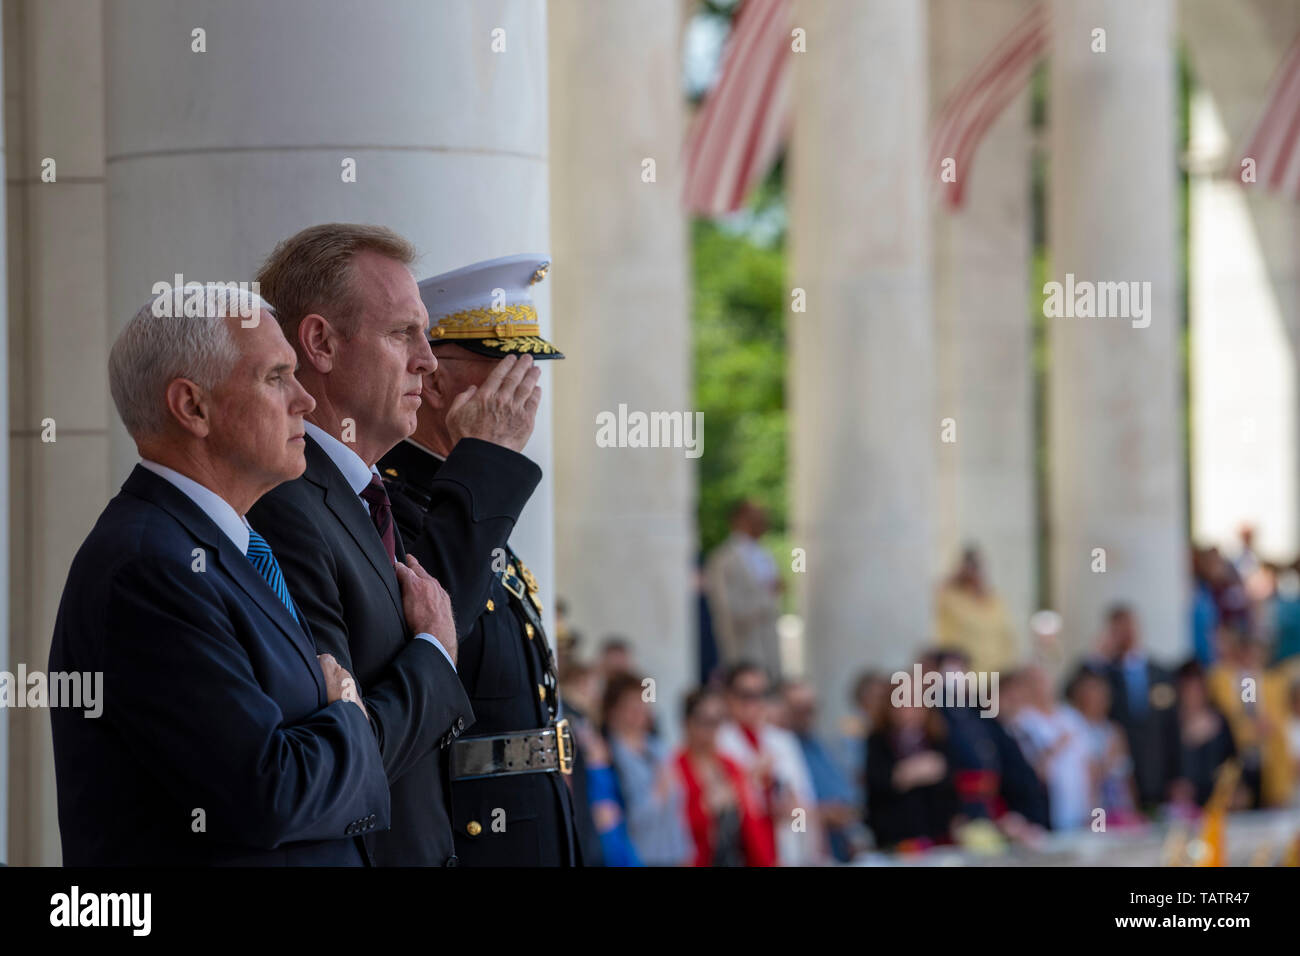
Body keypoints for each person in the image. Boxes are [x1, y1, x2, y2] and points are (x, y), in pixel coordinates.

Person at [50, 288, 389, 865]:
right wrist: (351, 714)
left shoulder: (225, 548)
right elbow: (269, 795)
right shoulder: (150, 567)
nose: (305, 399)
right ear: (193, 407)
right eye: (277, 376)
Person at [248, 224, 473, 867]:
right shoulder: (284, 506)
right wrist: (434, 651)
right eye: (404, 333)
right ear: (319, 342)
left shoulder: (364, 495)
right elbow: (342, 754)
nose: (427, 361)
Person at [377, 254, 583, 865]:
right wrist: (488, 459)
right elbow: (435, 626)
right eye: (503, 365)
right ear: (434, 380)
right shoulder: (393, 499)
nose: (526, 385)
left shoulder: (470, 492)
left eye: (531, 365)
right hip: (466, 836)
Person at [716, 662, 825, 864]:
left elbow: (805, 802)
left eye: (761, 695)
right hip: (741, 852)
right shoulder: (718, 742)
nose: (755, 703)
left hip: (783, 850)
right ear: (729, 698)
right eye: (746, 695)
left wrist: (793, 811)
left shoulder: (783, 741)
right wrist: (752, 778)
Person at [675, 687, 775, 866]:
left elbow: (752, 826)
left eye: (717, 721)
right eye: (705, 721)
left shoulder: (731, 766)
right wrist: (706, 809)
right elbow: (676, 829)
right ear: (687, 723)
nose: (711, 730)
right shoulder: (675, 768)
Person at [603, 673, 692, 866]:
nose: (639, 710)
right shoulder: (608, 755)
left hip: (673, 854)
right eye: (630, 705)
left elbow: (679, 805)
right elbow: (621, 816)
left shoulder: (659, 748)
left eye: (642, 702)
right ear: (613, 710)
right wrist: (657, 793)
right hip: (636, 857)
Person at [1099, 604, 1180, 810]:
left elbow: (1172, 726)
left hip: (1159, 770)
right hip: (1123, 773)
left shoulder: (1161, 673)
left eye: (1129, 625)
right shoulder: (1104, 674)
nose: (1126, 633)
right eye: (1119, 628)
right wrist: (1098, 656)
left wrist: (1179, 775)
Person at [865, 685, 957, 851]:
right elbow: (881, 781)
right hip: (896, 834)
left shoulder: (937, 738)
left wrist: (907, 774)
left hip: (935, 832)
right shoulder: (878, 741)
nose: (909, 711)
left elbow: (947, 779)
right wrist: (914, 772)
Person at [781, 679, 862, 861]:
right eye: (799, 710)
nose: (807, 716)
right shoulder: (780, 749)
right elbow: (790, 815)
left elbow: (848, 795)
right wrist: (819, 815)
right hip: (803, 853)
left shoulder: (820, 745)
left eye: (811, 709)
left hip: (838, 849)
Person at [705, 501, 783, 679]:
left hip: (769, 646)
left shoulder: (766, 554)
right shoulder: (723, 558)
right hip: (743, 645)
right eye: (756, 518)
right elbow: (724, 606)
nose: (764, 522)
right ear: (738, 520)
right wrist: (765, 599)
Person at [934, 546, 1017, 674]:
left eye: (978, 567)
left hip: (998, 674)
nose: (976, 573)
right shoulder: (952, 598)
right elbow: (937, 595)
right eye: (971, 567)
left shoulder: (995, 601)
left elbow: (1007, 636)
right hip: (964, 675)